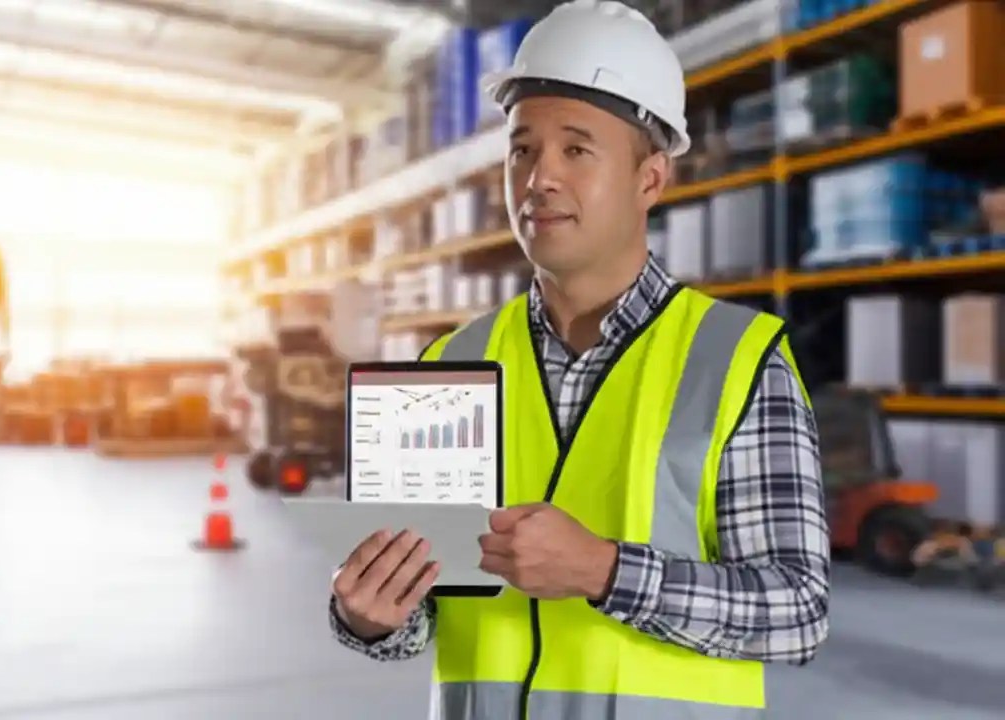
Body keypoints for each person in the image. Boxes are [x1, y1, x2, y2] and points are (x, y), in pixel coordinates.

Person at [326, 2, 830, 718]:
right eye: (522, 149)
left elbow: (798, 612)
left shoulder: (739, 360)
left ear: (649, 179)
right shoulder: (451, 362)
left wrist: (605, 571)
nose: (539, 179)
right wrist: (371, 615)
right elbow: (425, 611)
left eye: (577, 149)